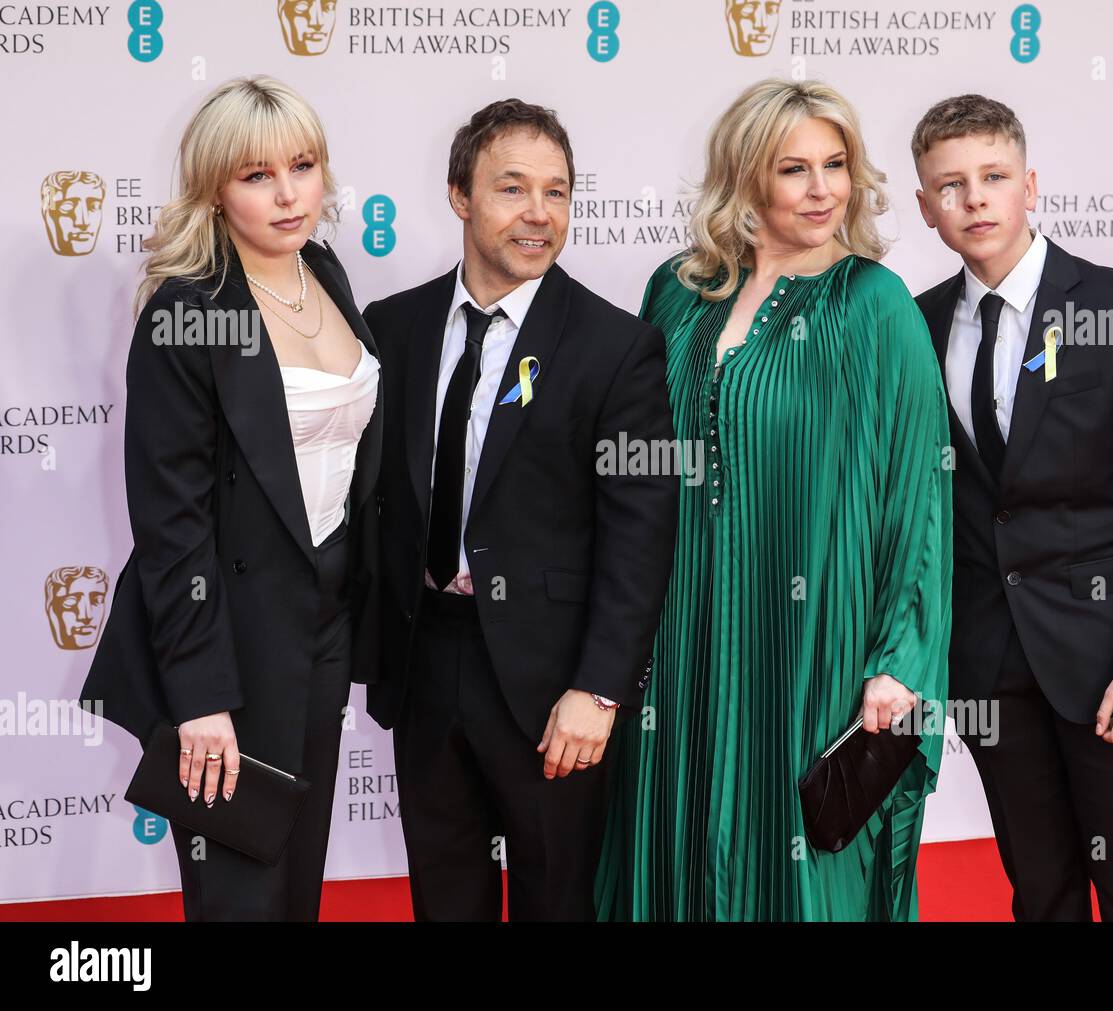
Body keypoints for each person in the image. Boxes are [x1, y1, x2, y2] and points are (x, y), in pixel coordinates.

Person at [595, 78, 952, 921]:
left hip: (812, 642)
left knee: (804, 861)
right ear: (748, 179)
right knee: (673, 838)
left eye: (837, 165)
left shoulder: (874, 303)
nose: (823, 189)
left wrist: (898, 660)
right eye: (795, 169)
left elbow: (919, 496)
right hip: (678, 640)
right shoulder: (677, 292)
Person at [363, 98, 678, 921]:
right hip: (426, 659)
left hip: (553, 686)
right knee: (445, 896)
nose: (539, 214)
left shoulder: (617, 347)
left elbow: (641, 536)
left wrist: (600, 690)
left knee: (557, 900)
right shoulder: (392, 328)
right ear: (460, 195)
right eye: (512, 189)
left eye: (558, 191)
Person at [81, 75, 383, 921]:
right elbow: (172, 522)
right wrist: (201, 698)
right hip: (228, 650)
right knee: (239, 898)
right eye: (256, 175)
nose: (289, 194)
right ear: (214, 188)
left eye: (303, 165)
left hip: (320, 634)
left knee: (296, 888)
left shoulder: (322, 270)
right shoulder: (187, 311)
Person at [911, 94, 1113, 920]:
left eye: (993, 177)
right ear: (926, 206)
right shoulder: (916, 324)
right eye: (952, 185)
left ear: (1029, 185)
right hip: (993, 669)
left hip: (1112, 666)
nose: (975, 199)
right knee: (1041, 893)